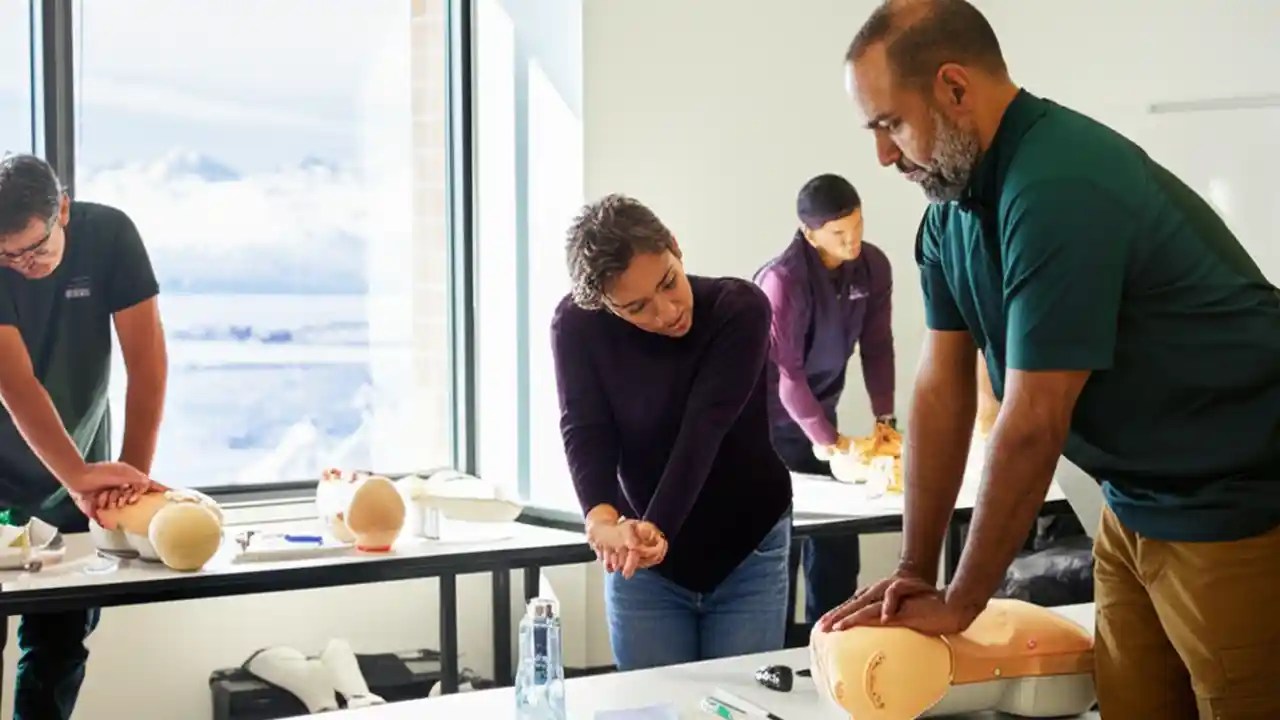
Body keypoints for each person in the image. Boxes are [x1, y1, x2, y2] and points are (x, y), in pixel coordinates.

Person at [821, 1, 1280, 717]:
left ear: (954, 87)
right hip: (1133, 506)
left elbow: (1033, 420)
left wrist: (964, 600)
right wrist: (916, 568)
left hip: (1234, 503)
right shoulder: (949, 213)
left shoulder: (1057, 185)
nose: (882, 155)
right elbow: (941, 390)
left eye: (891, 124)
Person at [551, 193, 793, 671]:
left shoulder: (739, 308)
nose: (665, 312)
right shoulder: (577, 326)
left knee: (738, 703)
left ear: (676, 248)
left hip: (748, 546)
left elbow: (706, 425)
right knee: (654, 706)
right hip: (640, 558)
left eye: (668, 283)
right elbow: (585, 425)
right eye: (636, 307)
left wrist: (654, 525)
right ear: (605, 306)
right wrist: (601, 519)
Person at [0, 154, 167, 720]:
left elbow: (146, 366)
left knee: (59, 650)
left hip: (77, 483)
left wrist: (130, 483)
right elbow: (15, 383)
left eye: (35, 248)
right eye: (7, 255)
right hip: (20, 475)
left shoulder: (110, 236)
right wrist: (78, 475)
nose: (22, 263)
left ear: (62, 211)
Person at [753, 173, 895, 627]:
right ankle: (773, 647)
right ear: (810, 233)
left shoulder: (873, 266)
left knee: (837, 540)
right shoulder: (783, 280)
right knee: (782, 544)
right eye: (839, 233)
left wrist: (885, 418)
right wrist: (830, 443)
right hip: (768, 427)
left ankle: (831, 636)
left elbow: (877, 345)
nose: (852, 240)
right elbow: (787, 374)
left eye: (857, 226)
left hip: (822, 415)